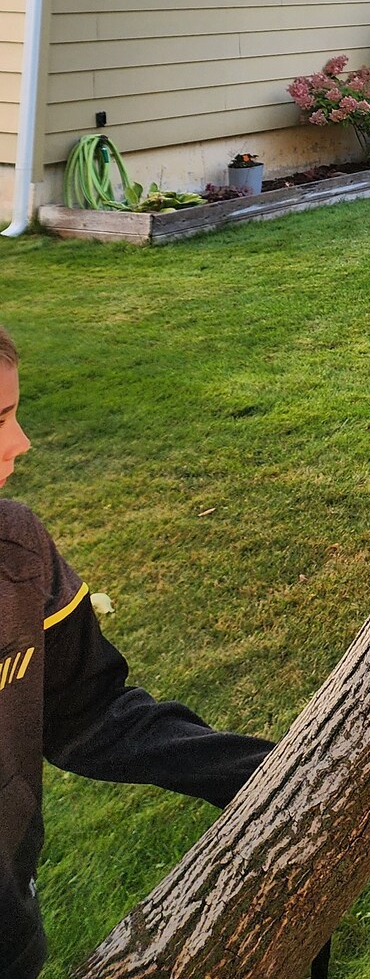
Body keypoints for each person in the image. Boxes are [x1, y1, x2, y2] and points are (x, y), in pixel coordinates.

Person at [0, 323, 329, 979]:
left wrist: (254, 771)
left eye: (10, 412)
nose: (21, 441)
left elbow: (89, 710)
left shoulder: (18, 551)